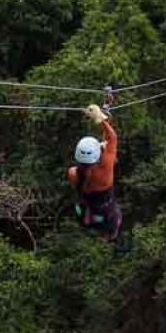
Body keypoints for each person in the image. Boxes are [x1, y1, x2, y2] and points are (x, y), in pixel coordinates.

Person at [67, 104, 122, 242]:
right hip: (103, 214)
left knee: (107, 214)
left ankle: (103, 234)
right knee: (114, 219)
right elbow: (112, 138)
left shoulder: (73, 173)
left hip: (86, 214)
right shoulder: (106, 166)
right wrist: (101, 119)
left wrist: (103, 120)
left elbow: (107, 142)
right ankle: (109, 235)